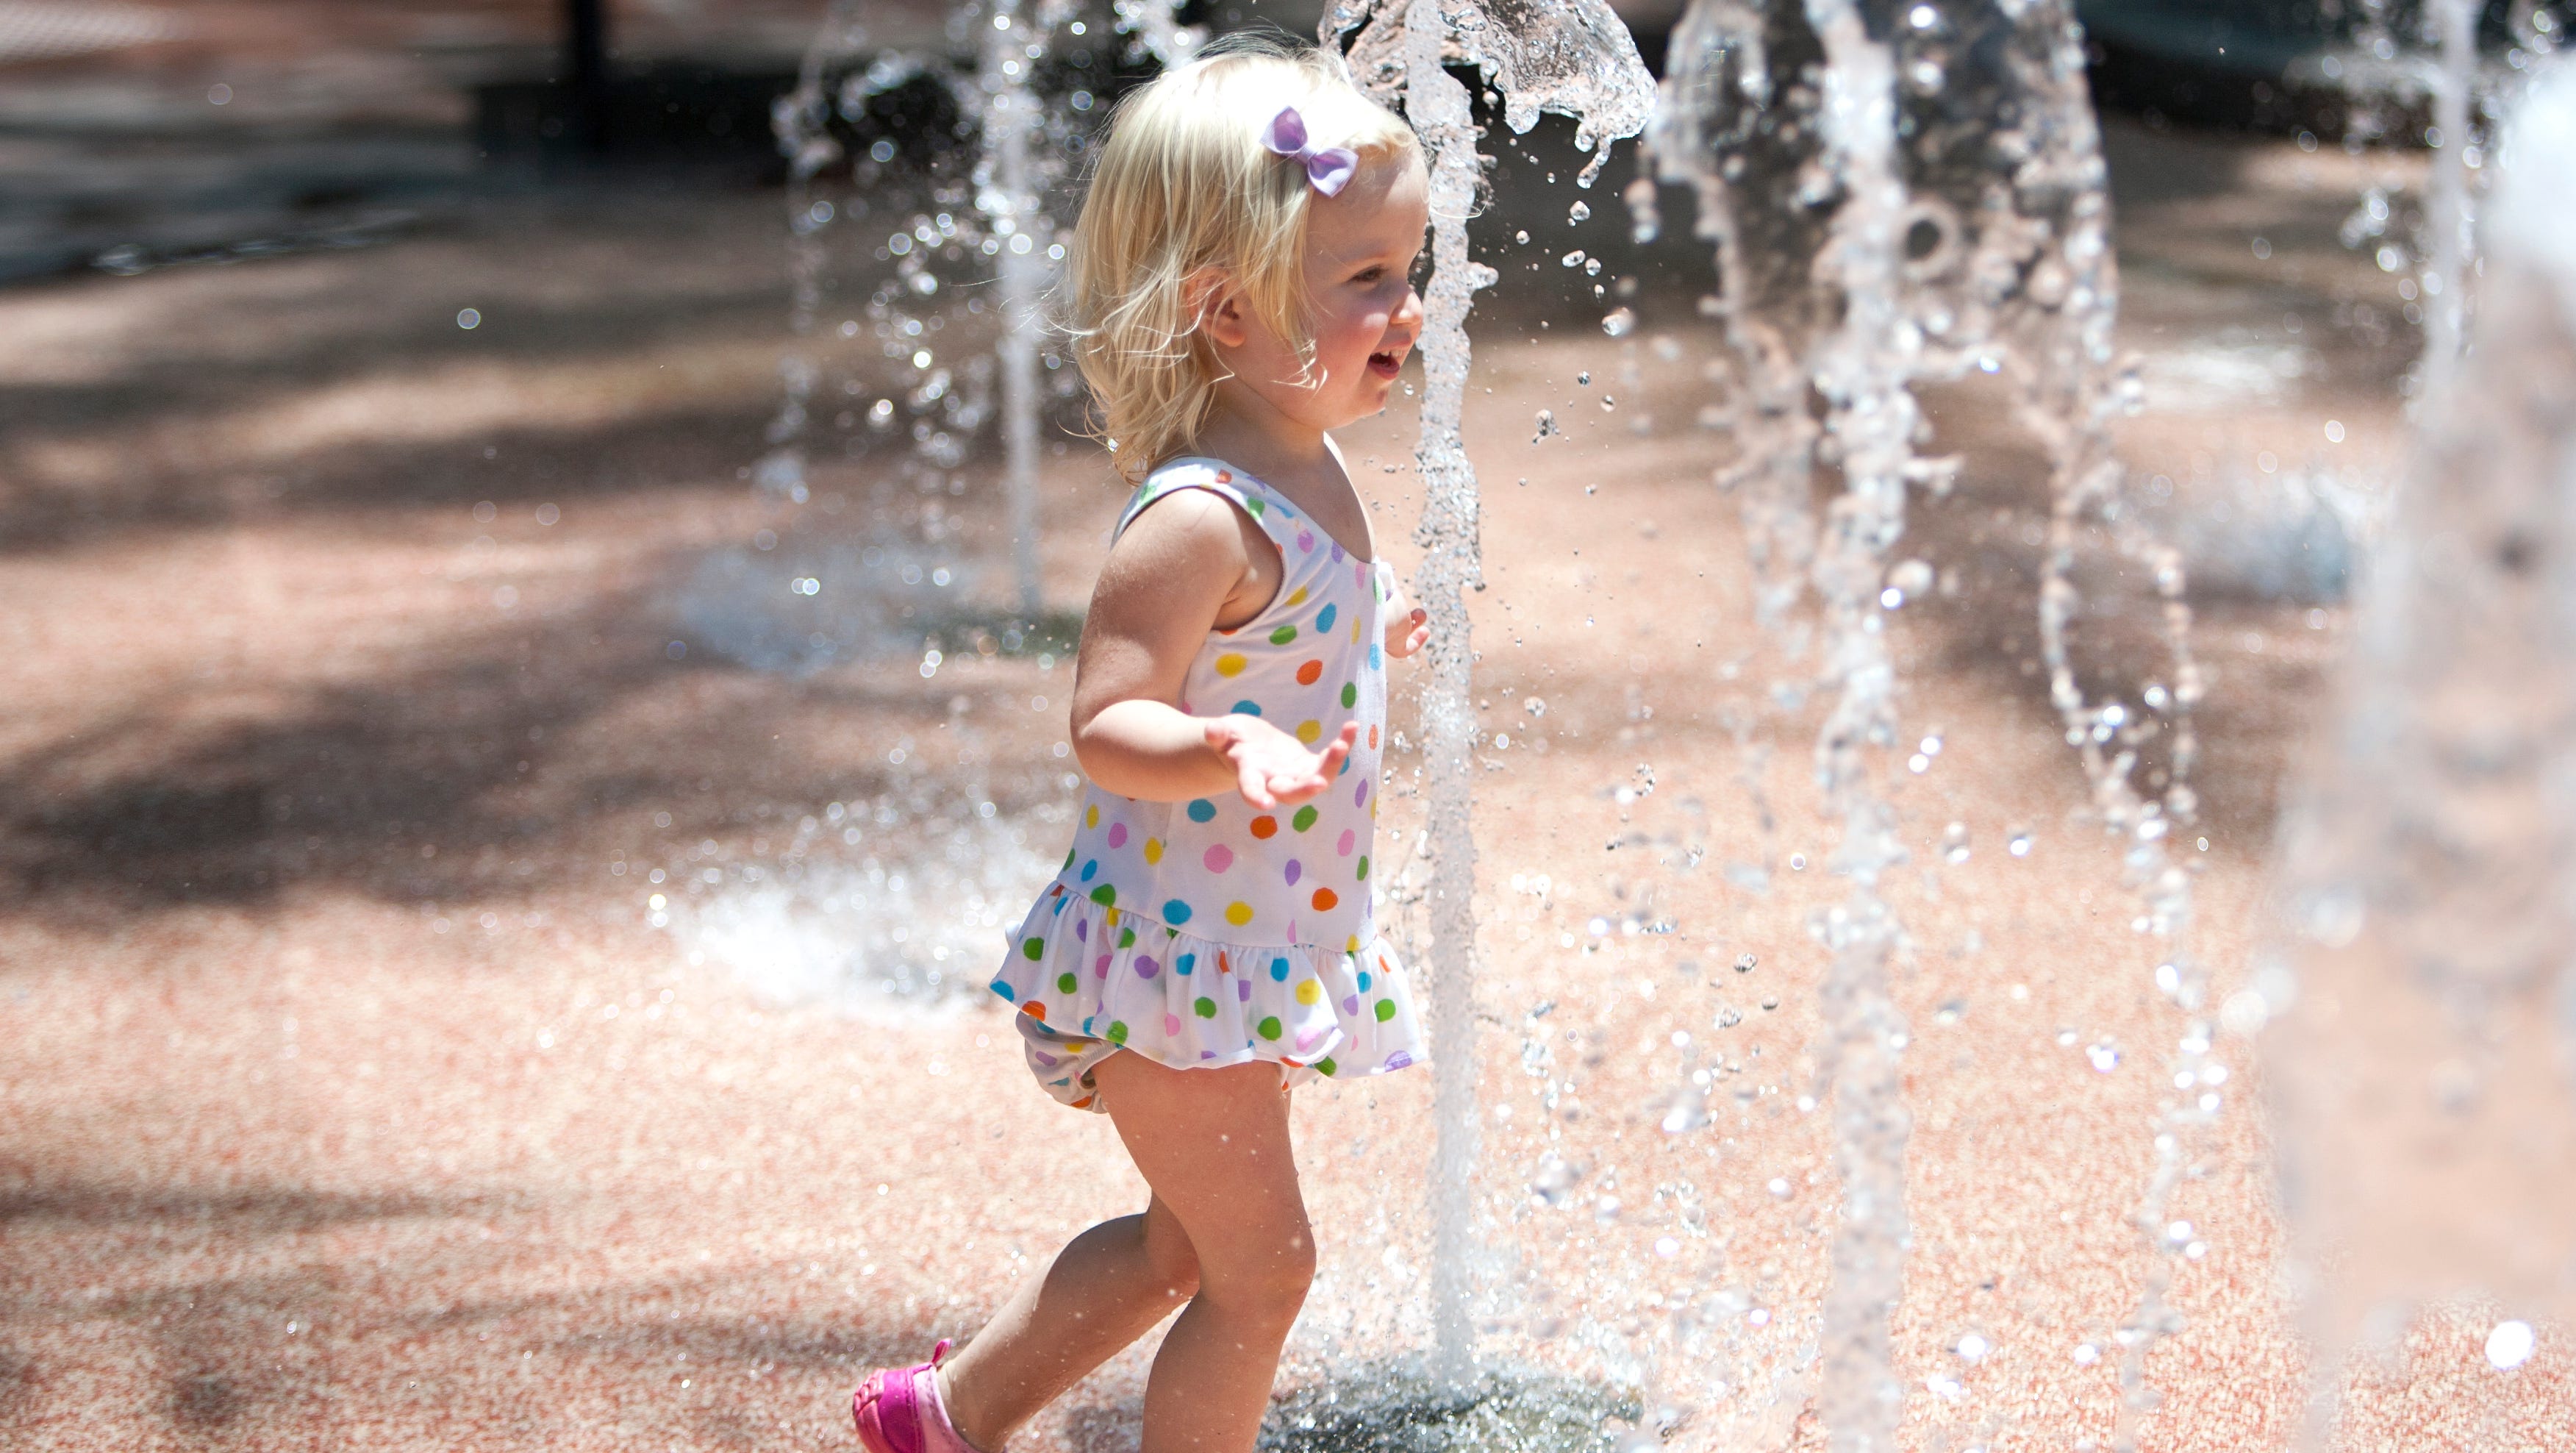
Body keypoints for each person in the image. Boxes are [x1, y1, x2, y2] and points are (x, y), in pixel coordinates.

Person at [848, 40, 1434, 1453]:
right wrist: (1219, 743)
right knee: (1264, 1274)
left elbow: (1285, 628)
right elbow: (1110, 722)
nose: (1408, 309)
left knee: (1182, 1250)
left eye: (1409, 270)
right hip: (1176, 965)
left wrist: (1371, 624)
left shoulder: (1305, 460)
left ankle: (946, 1415)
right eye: (1367, 278)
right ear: (1227, 310)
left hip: (1252, 951)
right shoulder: (1197, 517)